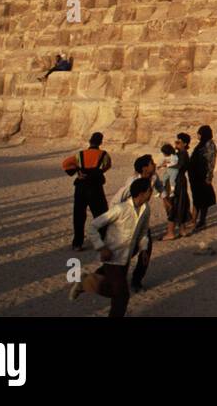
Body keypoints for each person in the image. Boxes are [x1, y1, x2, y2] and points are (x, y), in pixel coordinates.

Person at [70, 177, 153, 317]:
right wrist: (101, 247)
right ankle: (86, 282)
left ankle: (87, 281)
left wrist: (144, 249)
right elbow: (93, 226)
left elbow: (143, 232)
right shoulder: (120, 209)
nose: (152, 192)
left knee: (117, 294)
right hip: (112, 256)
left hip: (126, 258)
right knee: (122, 295)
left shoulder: (146, 209)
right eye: (150, 190)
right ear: (141, 193)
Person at [113, 154, 163, 292]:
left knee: (146, 250)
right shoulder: (132, 182)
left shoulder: (153, 177)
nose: (154, 164)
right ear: (144, 168)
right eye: (151, 162)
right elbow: (116, 201)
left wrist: (166, 199)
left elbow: (160, 187)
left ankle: (136, 281)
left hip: (142, 220)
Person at [70, 132, 112, 249]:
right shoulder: (104, 155)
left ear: (90, 141)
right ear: (100, 142)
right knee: (101, 214)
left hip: (81, 187)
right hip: (95, 186)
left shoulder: (80, 154)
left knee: (79, 215)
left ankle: (77, 243)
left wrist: (78, 171)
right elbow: (107, 165)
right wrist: (98, 172)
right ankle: (101, 240)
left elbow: (66, 164)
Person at [189, 125, 217, 231]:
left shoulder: (209, 145)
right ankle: (193, 220)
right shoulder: (202, 144)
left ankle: (202, 221)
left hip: (202, 176)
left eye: (199, 133)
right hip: (196, 176)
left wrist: (209, 177)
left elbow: (211, 163)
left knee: (203, 199)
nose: (198, 135)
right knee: (197, 198)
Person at [164, 132, 191, 240]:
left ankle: (170, 232)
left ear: (184, 143)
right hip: (180, 181)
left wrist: (168, 164)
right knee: (181, 203)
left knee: (174, 204)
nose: (176, 144)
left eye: (178, 142)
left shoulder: (183, 154)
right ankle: (182, 229)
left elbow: (179, 167)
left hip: (177, 181)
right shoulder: (180, 153)